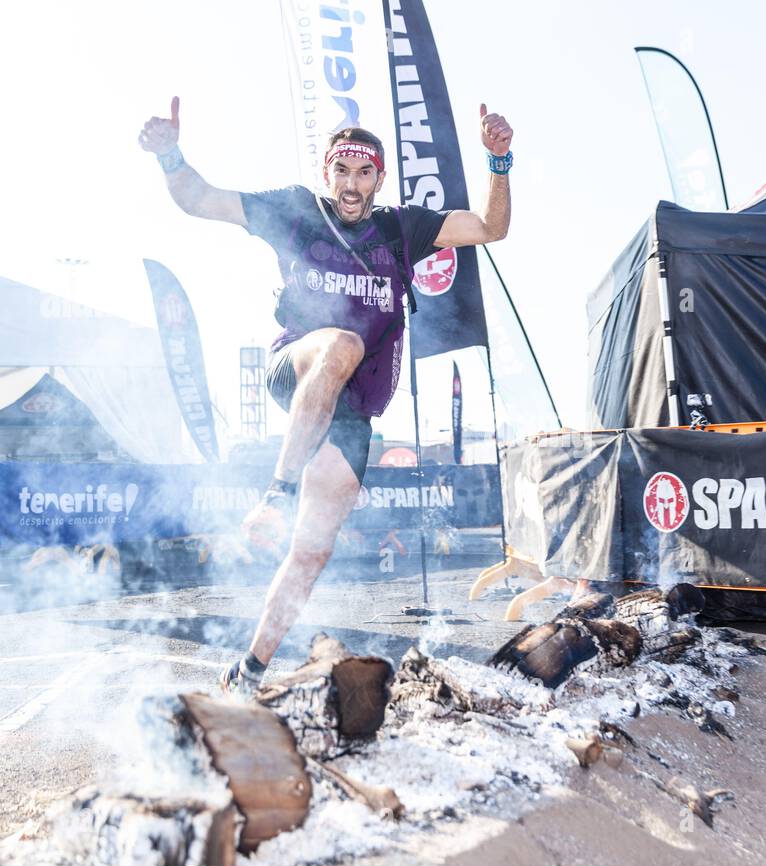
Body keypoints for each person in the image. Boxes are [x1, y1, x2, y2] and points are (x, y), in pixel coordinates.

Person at [137, 96, 514, 696]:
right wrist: (170, 156)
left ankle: (250, 668)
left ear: (379, 178)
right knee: (341, 343)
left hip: (353, 415)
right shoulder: (296, 212)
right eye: (342, 170)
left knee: (311, 554)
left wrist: (499, 162)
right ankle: (275, 495)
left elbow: (490, 228)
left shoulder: (400, 228)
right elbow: (199, 199)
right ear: (327, 172)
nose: (351, 183)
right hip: (302, 365)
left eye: (364, 172)